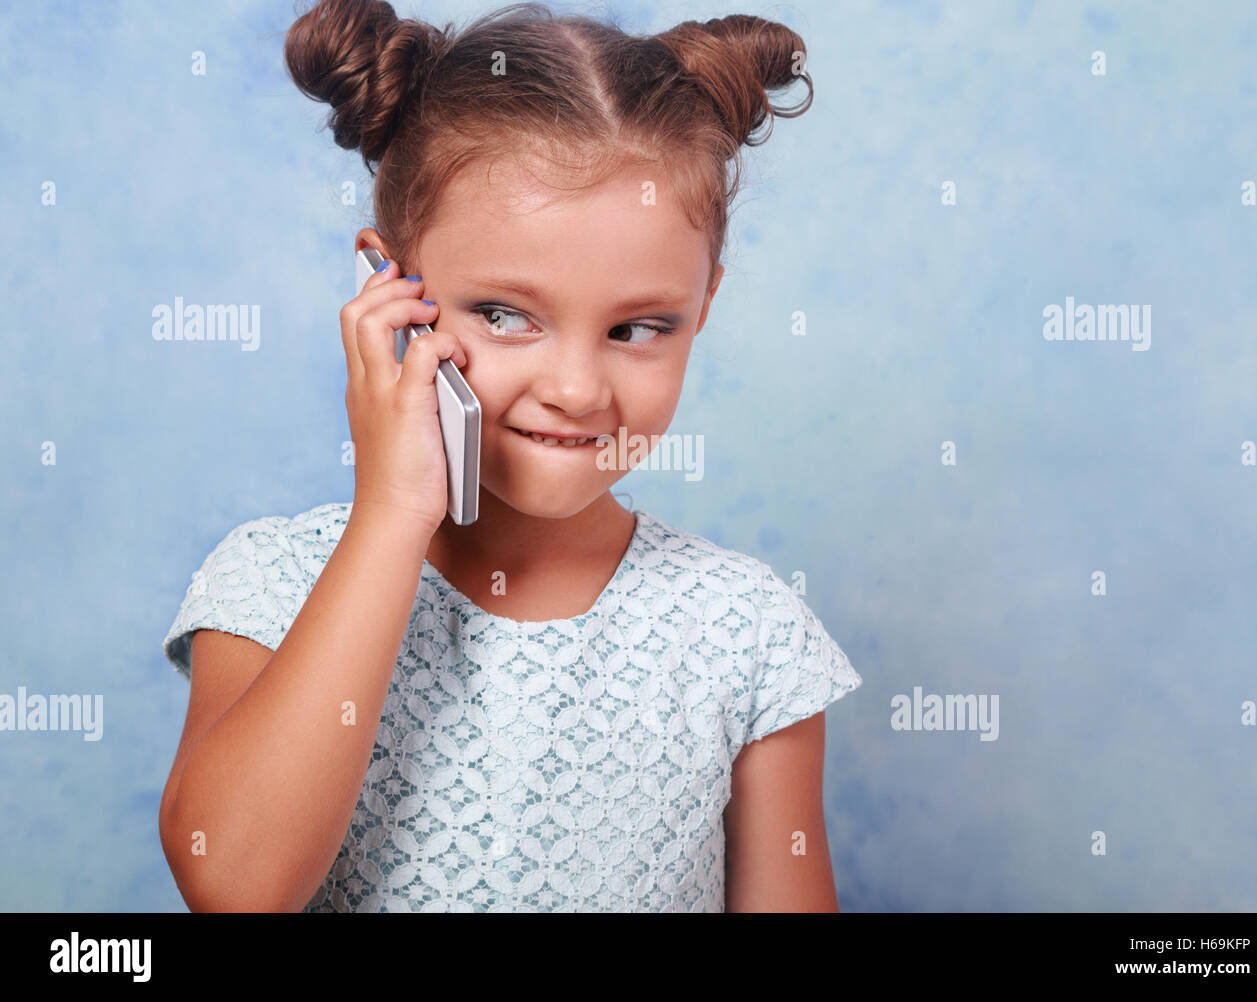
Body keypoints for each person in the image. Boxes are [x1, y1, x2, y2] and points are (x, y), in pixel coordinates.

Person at [158, 0, 862, 912]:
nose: (576, 388)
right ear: (391, 290)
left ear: (704, 303)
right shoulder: (270, 580)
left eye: (638, 326)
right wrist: (391, 515)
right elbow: (234, 884)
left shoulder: (748, 630)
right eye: (503, 314)